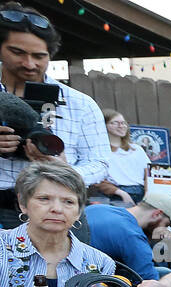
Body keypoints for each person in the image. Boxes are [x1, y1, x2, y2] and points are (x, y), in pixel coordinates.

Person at [0, 4, 111, 229]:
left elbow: (100, 163)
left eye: (39, 56)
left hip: (55, 214)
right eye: (18, 52)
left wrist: (63, 169)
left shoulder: (80, 104)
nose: (29, 64)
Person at [0, 160, 114, 287]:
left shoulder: (100, 263)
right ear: (23, 203)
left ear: (79, 211)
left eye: (68, 202)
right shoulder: (2, 246)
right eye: (44, 199)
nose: (57, 209)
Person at [83, 190, 171, 282]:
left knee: (163, 272)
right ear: (156, 214)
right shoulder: (133, 236)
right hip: (91, 283)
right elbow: (149, 283)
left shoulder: (96, 208)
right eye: (166, 225)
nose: (165, 234)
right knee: (165, 275)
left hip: (79, 273)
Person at [91, 109, 149, 205]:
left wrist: (147, 195)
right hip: (114, 195)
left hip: (141, 193)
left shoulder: (137, 149)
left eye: (123, 123)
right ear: (103, 126)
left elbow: (148, 174)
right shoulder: (99, 151)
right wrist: (121, 193)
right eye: (115, 123)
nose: (121, 126)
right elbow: (97, 179)